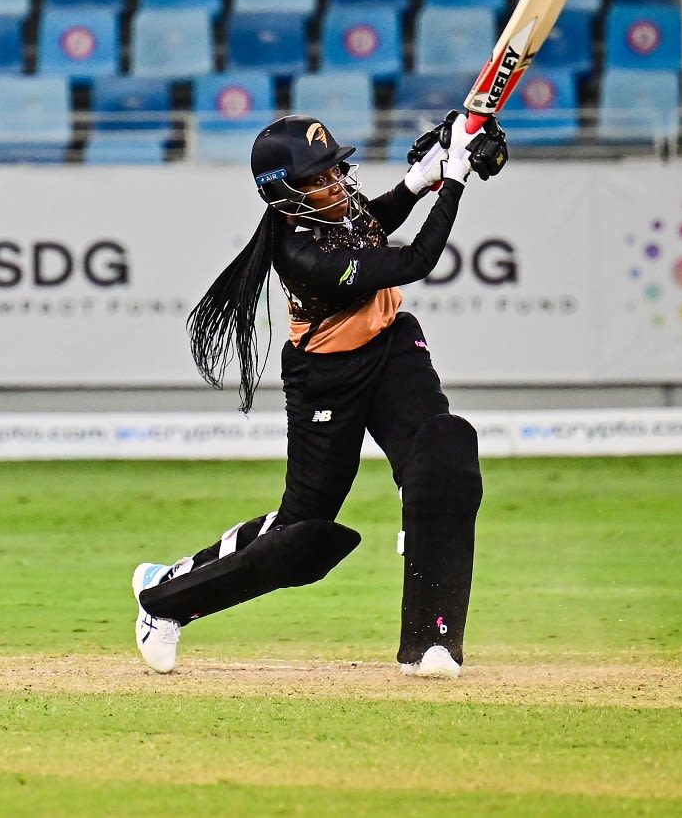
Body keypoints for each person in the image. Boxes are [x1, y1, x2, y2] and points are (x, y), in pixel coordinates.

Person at [131, 110, 507, 678]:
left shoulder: (330, 211)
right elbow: (413, 260)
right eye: (319, 179)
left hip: (392, 348)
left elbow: (370, 224)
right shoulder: (301, 253)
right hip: (326, 377)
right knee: (301, 536)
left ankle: (431, 641)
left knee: (445, 453)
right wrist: (453, 179)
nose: (335, 186)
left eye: (335, 171)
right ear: (285, 195)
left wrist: (421, 178)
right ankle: (166, 601)